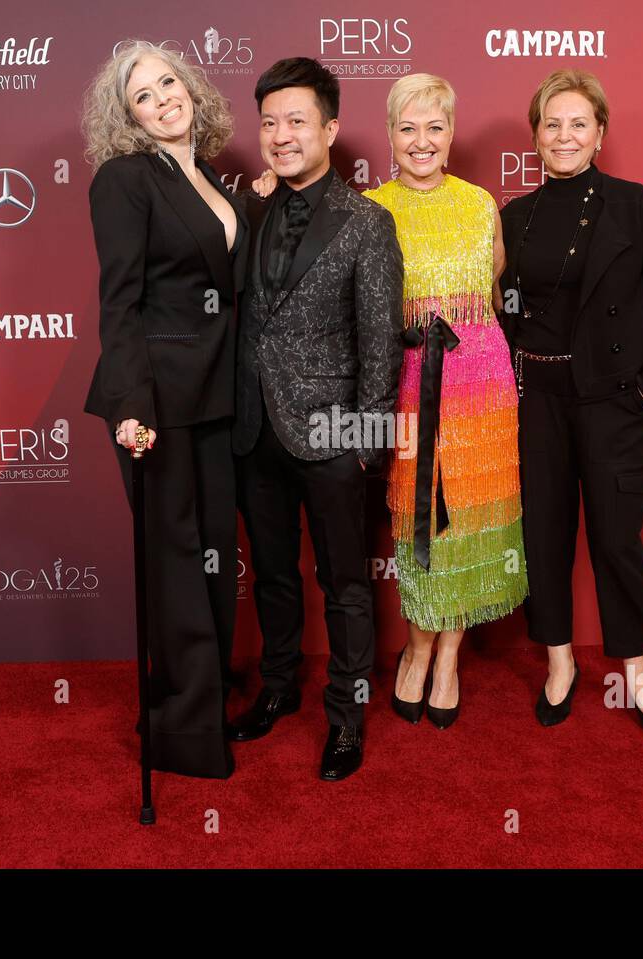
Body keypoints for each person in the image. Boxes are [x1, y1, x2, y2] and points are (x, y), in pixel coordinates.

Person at [227, 57, 404, 781]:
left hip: (335, 436)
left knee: (346, 585)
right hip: (253, 429)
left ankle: (347, 718)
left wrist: (365, 444)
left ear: (330, 130)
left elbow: (381, 339)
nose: (281, 135)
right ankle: (277, 687)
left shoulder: (368, 223)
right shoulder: (246, 210)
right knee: (273, 574)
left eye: (296, 121)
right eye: (269, 122)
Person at [498, 70, 643, 738]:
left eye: (578, 123)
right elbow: (504, 312)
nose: (564, 136)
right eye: (552, 124)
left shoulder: (635, 207)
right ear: (535, 136)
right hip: (539, 403)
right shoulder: (513, 217)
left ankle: (636, 667)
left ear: (600, 134)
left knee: (615, 538)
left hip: (613, 401)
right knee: (544, 537)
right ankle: (559, 663)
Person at [81, 40, 249, 779]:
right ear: (129, 118)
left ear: (191, 87)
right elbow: (119, 302)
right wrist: (130, 403)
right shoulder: (123, 180)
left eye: (168, 82)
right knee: (177, 561)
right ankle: (185, 730)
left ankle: (197, 701)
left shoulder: (209, 176)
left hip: (216, 395)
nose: (163, 100)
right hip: (153, 400)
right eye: (143, 96)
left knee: (212, 554)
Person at [361, 74, 527, 730]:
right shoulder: (371, 208)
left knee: (470, 526)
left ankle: (448, 656)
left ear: (452, 133)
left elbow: (493, 283)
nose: (421, 140)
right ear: (390, 134)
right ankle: (417, 649)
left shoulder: (480, 203)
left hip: (482, 387)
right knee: (423, 523)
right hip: (411, 385)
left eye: (435, 126)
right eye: (408, 127)